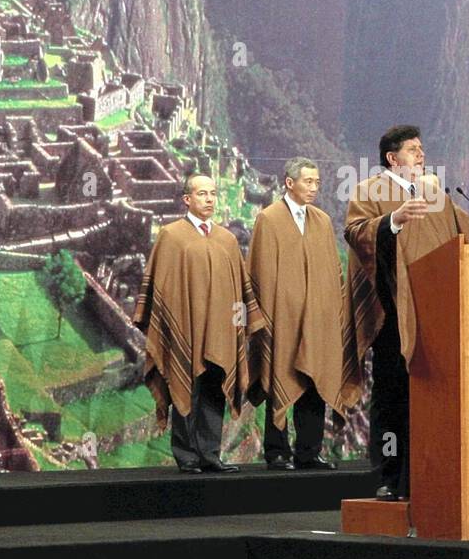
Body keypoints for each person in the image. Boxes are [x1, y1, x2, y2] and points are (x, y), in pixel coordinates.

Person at [344, 124, 469, 500]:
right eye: (413, 150)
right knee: (393, 397)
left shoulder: (433, 193)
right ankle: (391, 477)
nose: (421, 154)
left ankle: (427, 475)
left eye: (422, 149)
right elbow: (355, 233)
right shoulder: (369, 192)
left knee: (430, 398)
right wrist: (394, 220)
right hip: (393, 312)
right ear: (392, 159)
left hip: (436, 314)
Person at [134, 173, 264, 473]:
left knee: (215, 387)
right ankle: (187, 455)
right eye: (202, 193)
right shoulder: (172, 236)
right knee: (184, 384)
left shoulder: (227, 240)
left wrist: (238, 327)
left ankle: (210, 454)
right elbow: (161, 285)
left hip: (220, 331)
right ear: (187, 199)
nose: (209, 199)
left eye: (213, 193)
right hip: (183, 329)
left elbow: (240, 290)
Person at [247, 157, 362, 470]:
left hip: (316, 321)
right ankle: (277, 451)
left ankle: (309, 451)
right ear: (289, 182)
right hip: (281, 319)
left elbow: (331, 272)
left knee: (313, 383)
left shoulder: (322, 221)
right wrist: (270, 316)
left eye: (317, 182)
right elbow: (261, 272)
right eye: (308, 181)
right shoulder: (269, 220)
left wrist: (330, 312)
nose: (314, 188)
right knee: (279, 375)